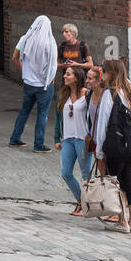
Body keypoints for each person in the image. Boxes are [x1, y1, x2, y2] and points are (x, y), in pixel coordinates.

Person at [93, 58, 131, 234]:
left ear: (110, 73)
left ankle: (122, 221)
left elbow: (103, 123)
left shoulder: (109, 93)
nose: (102, 74)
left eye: (104, 71)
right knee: (129, 181)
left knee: (115, 182)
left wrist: (99, 151)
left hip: (116, 144)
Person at [9, 15, 59, 152]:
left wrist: (24, 73)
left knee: (24, 111)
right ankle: (38, 144)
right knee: (42, 114)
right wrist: (50, 77)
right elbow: (53, 64)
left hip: (28, 83)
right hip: (44, 85)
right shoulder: (50, 43)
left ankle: (14, 139)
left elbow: (15, 57)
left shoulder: (25, 39)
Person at [53, 64, 89, 214]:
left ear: (76, 77)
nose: (64, 76)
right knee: (65, 172)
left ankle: (91, 204)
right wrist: (57, 138)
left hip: (83, 138)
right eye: (65, 74)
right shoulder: (63, 95)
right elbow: (58, 118)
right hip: (67, 138)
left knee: (87, 175)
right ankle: (81, 201)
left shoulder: (87, 94)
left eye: (68, 74)